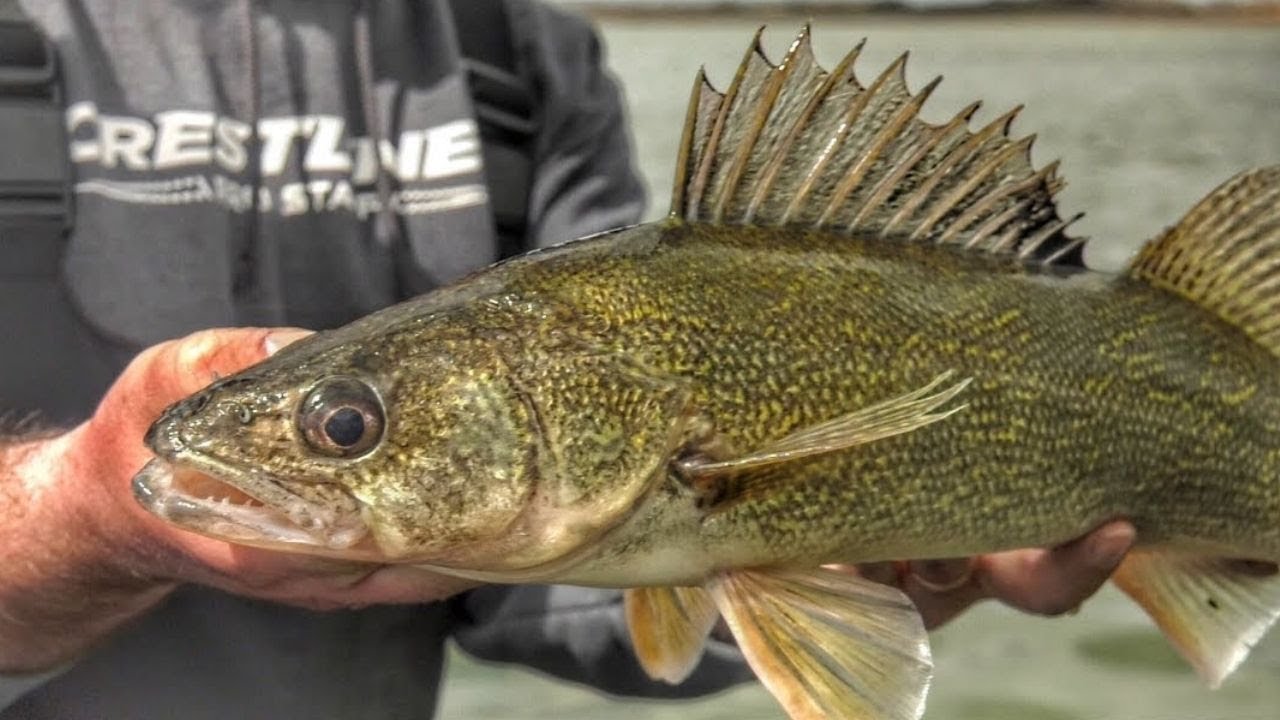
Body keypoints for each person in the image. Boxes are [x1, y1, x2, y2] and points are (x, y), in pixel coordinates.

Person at [0, 1, 1136, 718]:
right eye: (350, 427)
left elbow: (553, 600)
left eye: (347, 428)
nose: (339, 441)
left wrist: (915, 577)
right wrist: (83, 516)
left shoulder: (517, 52)